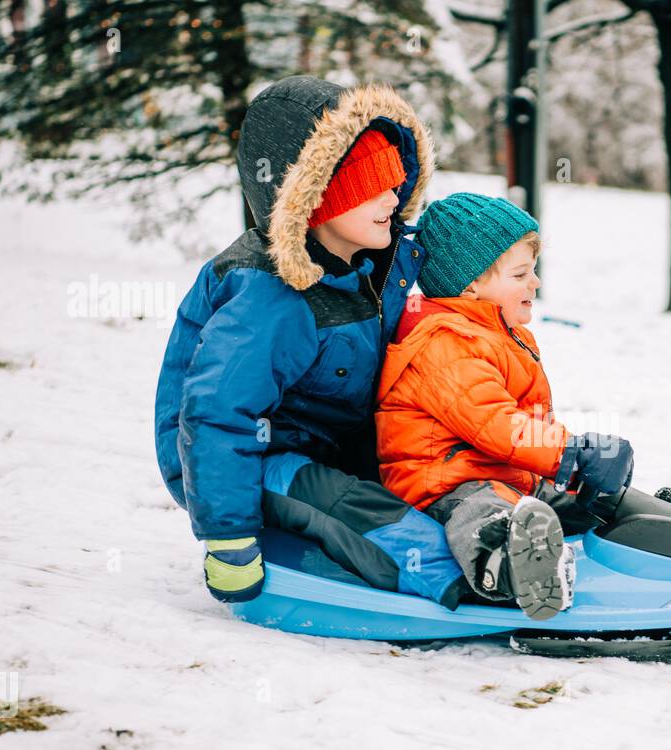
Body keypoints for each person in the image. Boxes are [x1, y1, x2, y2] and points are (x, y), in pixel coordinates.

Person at [154, 76, 465, 609]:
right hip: (258, 459)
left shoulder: (376, 264)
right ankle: (472, 579)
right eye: (373, 187)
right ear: (315, 199)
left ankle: (498, 531)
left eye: (395, 183)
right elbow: (216, 413)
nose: (393, 198)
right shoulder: (268, 294)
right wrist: (228, 540)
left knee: (432, 468)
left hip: (338, 442)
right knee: (357, 508)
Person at [375, 192, 671, 621]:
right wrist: (568, 452)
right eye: (521, 273)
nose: (535, 283)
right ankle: (512, 569)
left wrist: (580, 467)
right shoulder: (444, 342)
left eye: (534, 271)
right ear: (470, 285)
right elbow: (497, 424)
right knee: (481, 514)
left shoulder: (498, 332)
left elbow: (524, 425)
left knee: (592, 497)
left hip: (511, 475)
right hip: (446, 484)